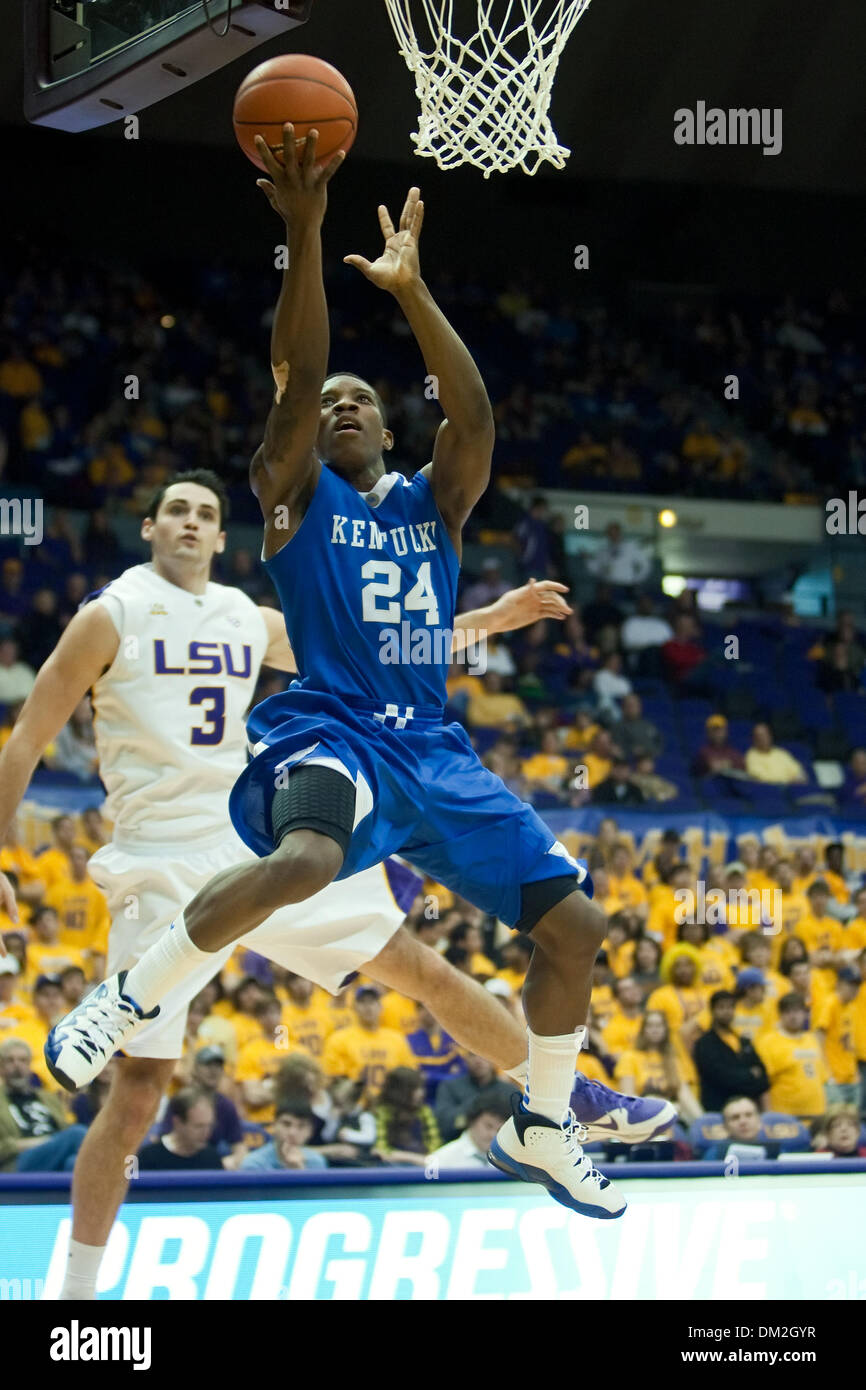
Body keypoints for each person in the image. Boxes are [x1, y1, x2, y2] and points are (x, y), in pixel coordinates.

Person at [44, 138, 676, 1222]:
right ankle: (127, 996)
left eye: (360, 400)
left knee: (575, 928)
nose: (339, 405)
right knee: (305, 858)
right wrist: (304, 230)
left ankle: (540, 1123)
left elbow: (474, 420)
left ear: (389, 428)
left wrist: (413, 291)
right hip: (329, 730)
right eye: (328, 399)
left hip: (432, 751)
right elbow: (296, 378)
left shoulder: (435, 505)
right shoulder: (294, 497)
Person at [0, 488, 572, 1302]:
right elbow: (27, 737)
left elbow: (378, 647)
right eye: (177, 510)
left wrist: (491, 618)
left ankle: (561, 1098)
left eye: (206, 512)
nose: (193, 520)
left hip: (256, 838)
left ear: (218, 537)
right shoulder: (110, 613)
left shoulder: (246, 615)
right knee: (137, 1093)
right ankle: (75, 1298)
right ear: (150, 528)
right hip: (158, 860)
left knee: (420, 967)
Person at [0, 1037, 81, 1173]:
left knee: (73, 1163)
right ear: (1, 1067)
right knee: (76, 1134)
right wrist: (43, 1142)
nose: (17, 1066)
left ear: (29, 1066)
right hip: (17, 1161)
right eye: (10, 1060)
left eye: (23, 1060)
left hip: (54, 1155)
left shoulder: (48, 1098)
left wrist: (54, 1142)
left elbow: (63, 1128)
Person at [692, 990, 769, 1113]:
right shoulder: (704, 1043)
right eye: (721, 1007)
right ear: (712, 1011)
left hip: (746, 1107)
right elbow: (720, 1077)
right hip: (718, 1109)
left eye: (730, 1007)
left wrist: (740, 1075)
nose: (727, 1011)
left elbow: (762, 1074)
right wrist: (750, 1074)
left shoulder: (743, 1041)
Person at [755, 993, 828, 1121]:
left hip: (816, 1113)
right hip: (784, 1116)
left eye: (797, 1011)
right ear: (780, 1015)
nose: (793, 1016)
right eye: (788, 1012)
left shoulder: (811, 1039)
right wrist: (768, 1116)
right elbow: (763, 1083)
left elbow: (821, 1078)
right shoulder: (768, 1042)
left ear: (805, 1014)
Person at [136, 1088, 224, 1171]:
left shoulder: (212, 1159)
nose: (206, 1133)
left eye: (210, 1126)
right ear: (178, 1122)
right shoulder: (148, 1158)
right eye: (199, 1126)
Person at [372, 1065, 440, 1166]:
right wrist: (416, 1158)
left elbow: (435, 1146)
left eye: (422, 1088)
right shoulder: (382, 1112)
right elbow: (380, 1150)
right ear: (400, 1091)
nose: (421, 1093)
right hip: (391, 1168)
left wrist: (427, 1159)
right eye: (416, 1089)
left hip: (422, 1167)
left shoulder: (424, 1111)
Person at [427, 1090, 513, 1169]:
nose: (493, 1135)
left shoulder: (512, 1162)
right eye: (488, 1126)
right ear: (472, 1121)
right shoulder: (441, 1160)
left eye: (499, 1130)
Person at [238, 1101, 328, 1171]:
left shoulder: (316, 1162)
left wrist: (298, 1170)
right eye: (286, 1124)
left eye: (301, 1126)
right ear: (273, 1125)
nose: (292, 1133)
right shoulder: (254, 1163)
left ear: (310, 1132)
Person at [701, 1096, 785, 1161]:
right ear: (725, 1127)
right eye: (735, 1117)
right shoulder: (714, 1155)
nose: (743, 1121)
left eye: (748, 1115)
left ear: (759, 1122)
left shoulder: (778, 1153)